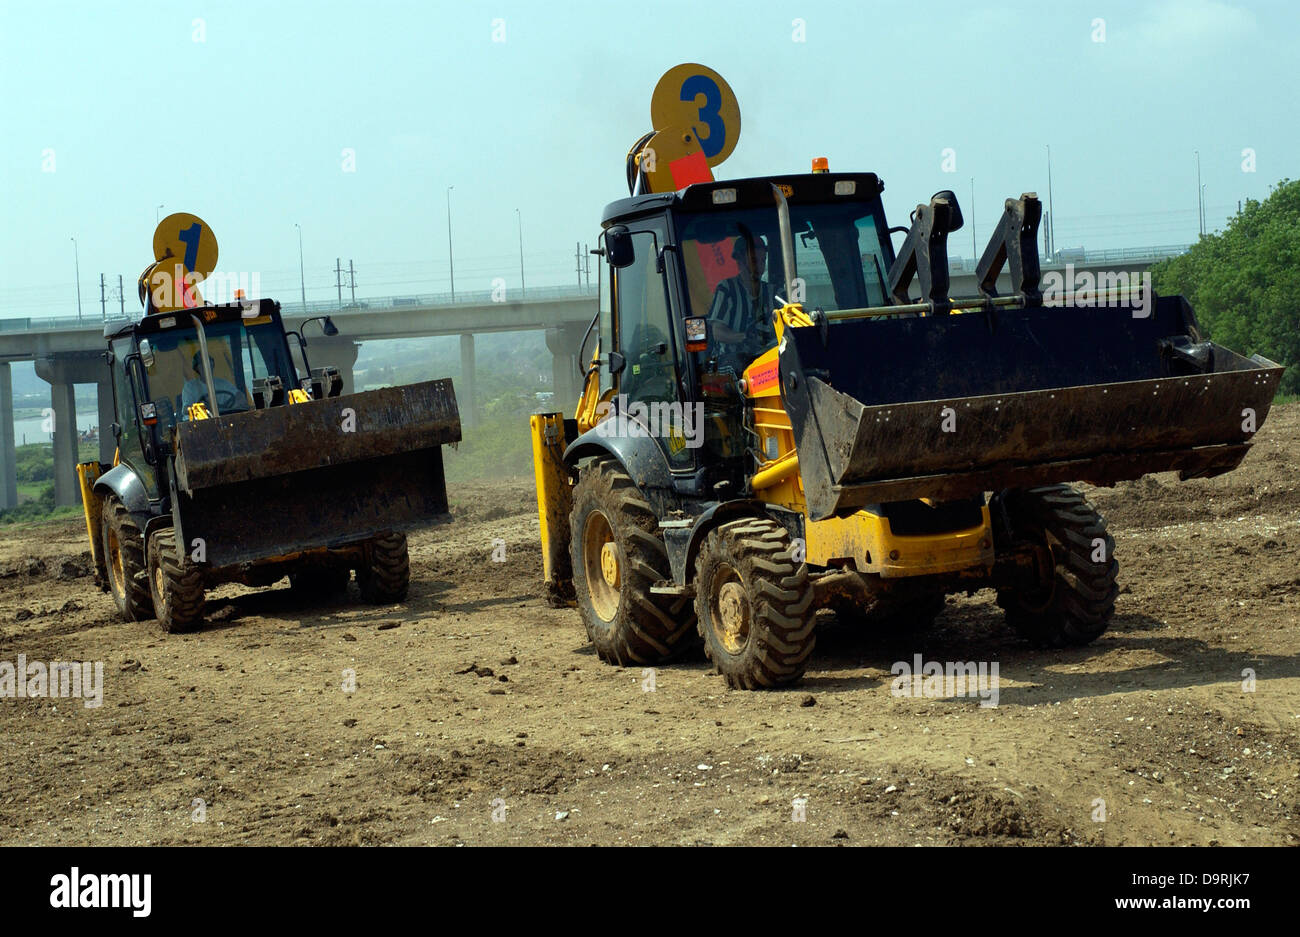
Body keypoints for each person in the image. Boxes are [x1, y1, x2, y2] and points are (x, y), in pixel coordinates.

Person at [707, 233, 778, 353]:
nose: (760, 265)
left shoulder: (774, 292)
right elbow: (718, 332)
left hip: (767, 360)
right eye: (754, 260)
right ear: (739, 260)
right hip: (731, 364)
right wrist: (744, 338)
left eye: (763, 260)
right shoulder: (727, 289)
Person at [181, 351, 244, 416]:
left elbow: (239, 396)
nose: (206, 366)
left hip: (225, 419)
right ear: (196, 368)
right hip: (199, 423)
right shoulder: (190, 387)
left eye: (209, 363)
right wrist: (199, 408)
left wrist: (235, 406)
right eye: (202, 364)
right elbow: (186, 409)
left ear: (212, 365)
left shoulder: (223, 383)